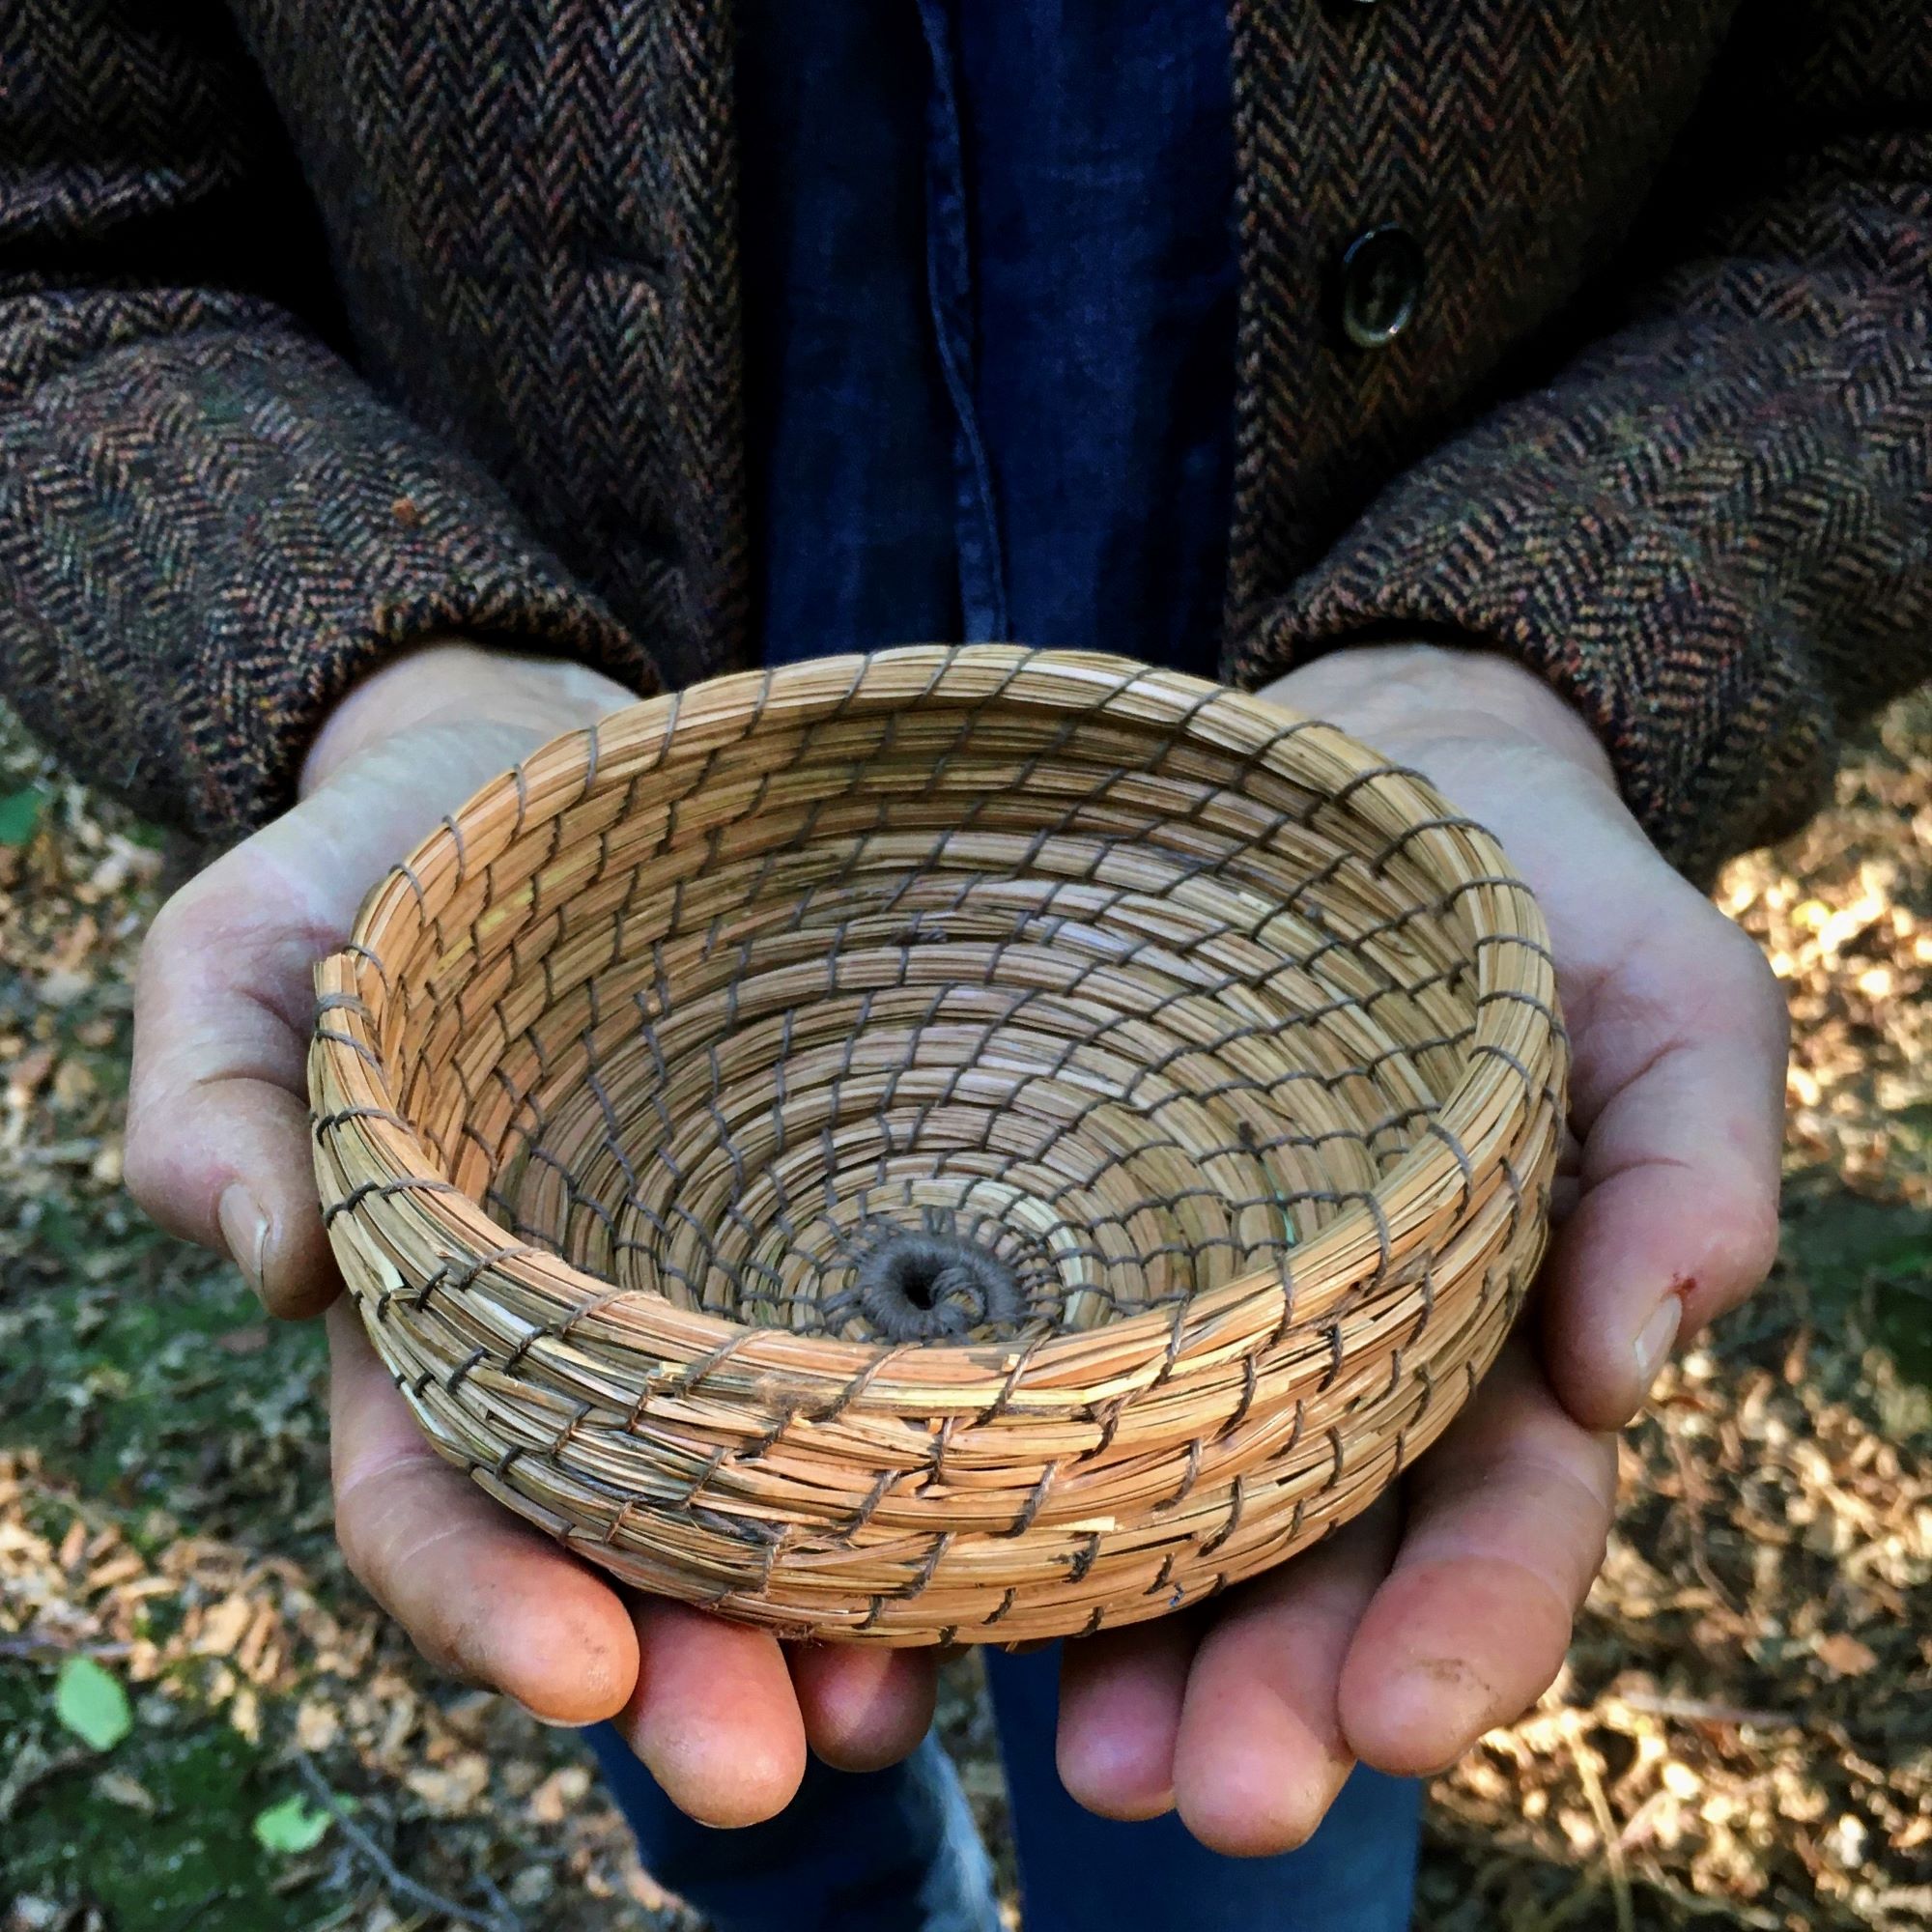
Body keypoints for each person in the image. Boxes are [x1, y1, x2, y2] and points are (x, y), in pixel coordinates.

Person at [4, 2, 1923, 1926]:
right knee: (738, 1788)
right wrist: (365, 654)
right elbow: (54, 227)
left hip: (1314, 1127)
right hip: (575, 1047)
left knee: (1232, 1829)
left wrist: (1557, 621)